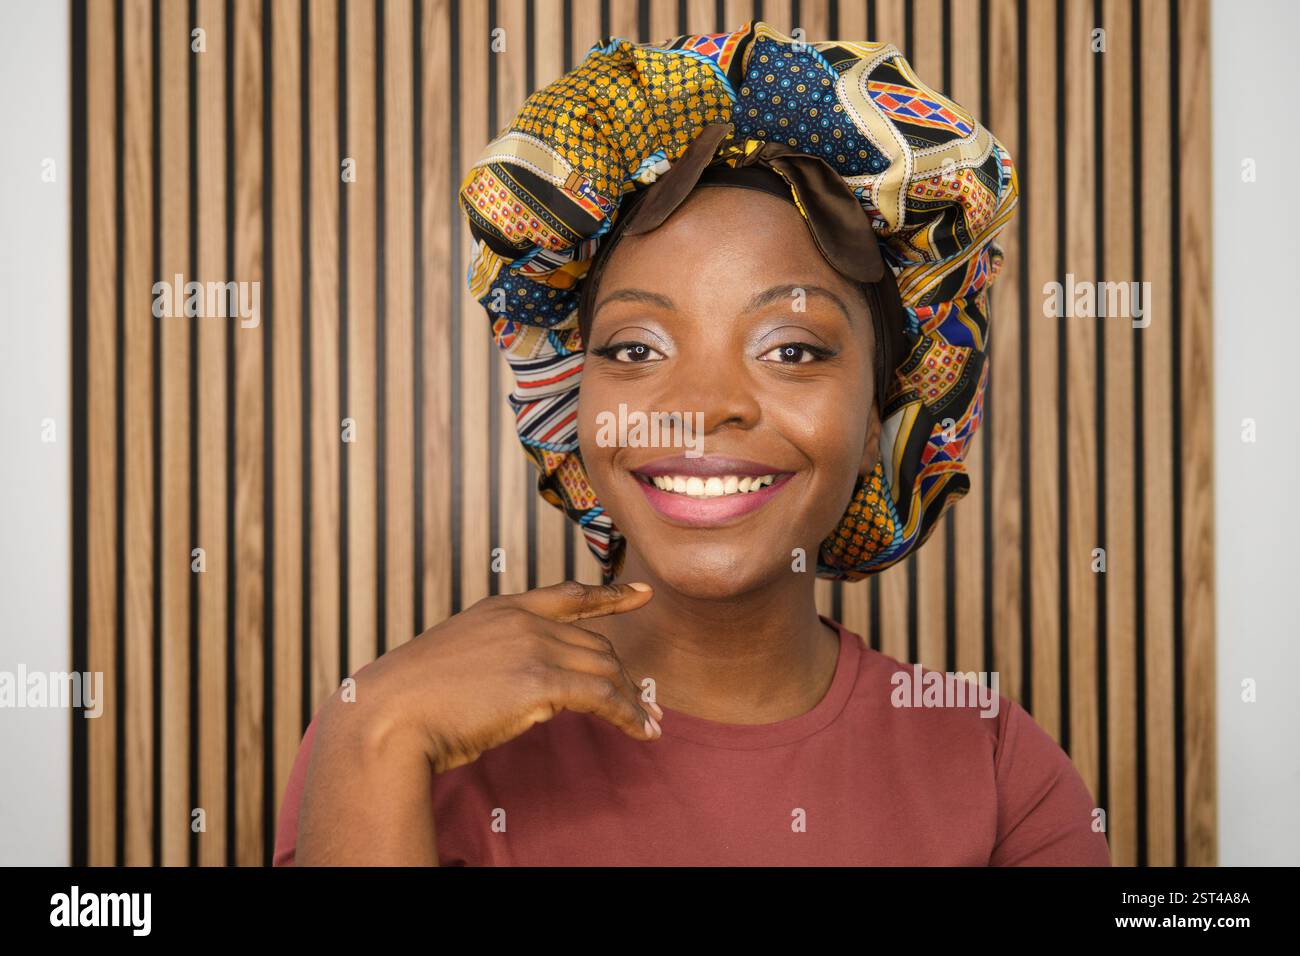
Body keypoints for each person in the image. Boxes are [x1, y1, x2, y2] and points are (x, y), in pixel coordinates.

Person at [273, 21, 1110, 866]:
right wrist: (372, 734)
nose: (702, 409)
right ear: (574, 400)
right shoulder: (390, 732)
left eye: (791, 349)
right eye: (636, 349)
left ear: (877, 424)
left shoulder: (997, 770)